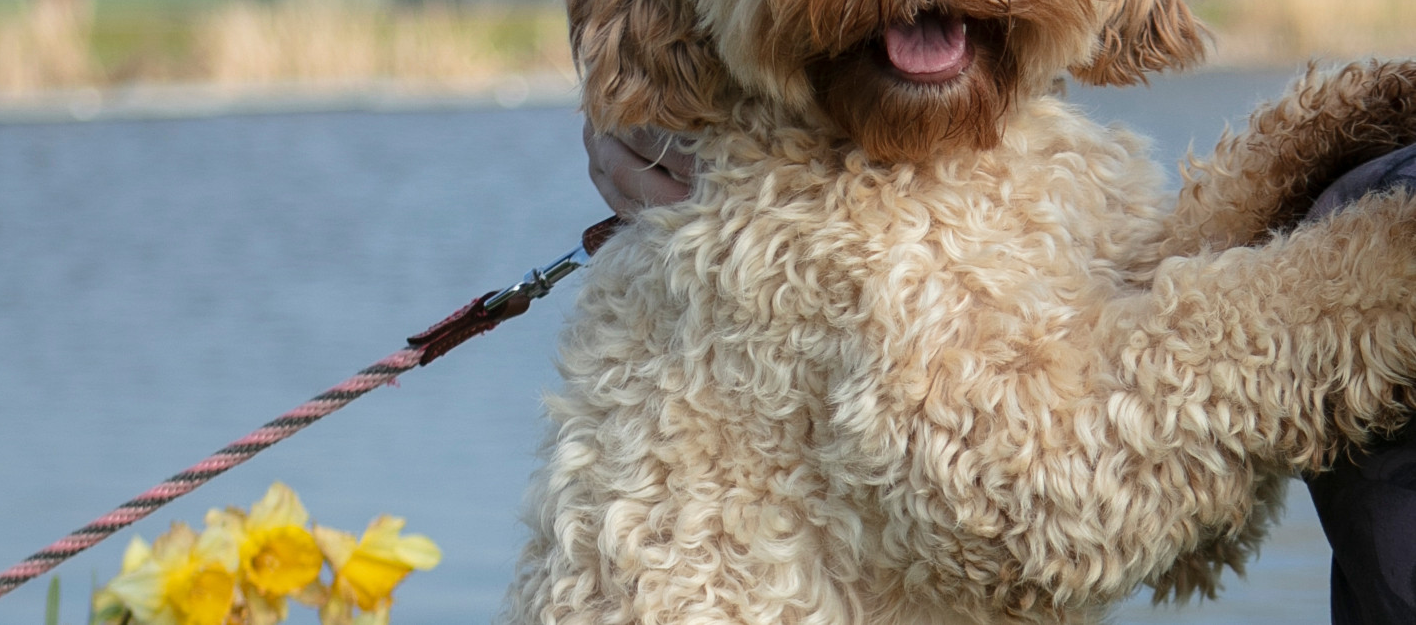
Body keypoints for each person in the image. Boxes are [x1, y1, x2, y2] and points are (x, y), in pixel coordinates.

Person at [583, 125, 1416, 623]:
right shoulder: (823, 222)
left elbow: (1190, 519)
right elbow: (1058, 503)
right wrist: (1371, 272)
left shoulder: (1035, 170)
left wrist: (1295, 165)